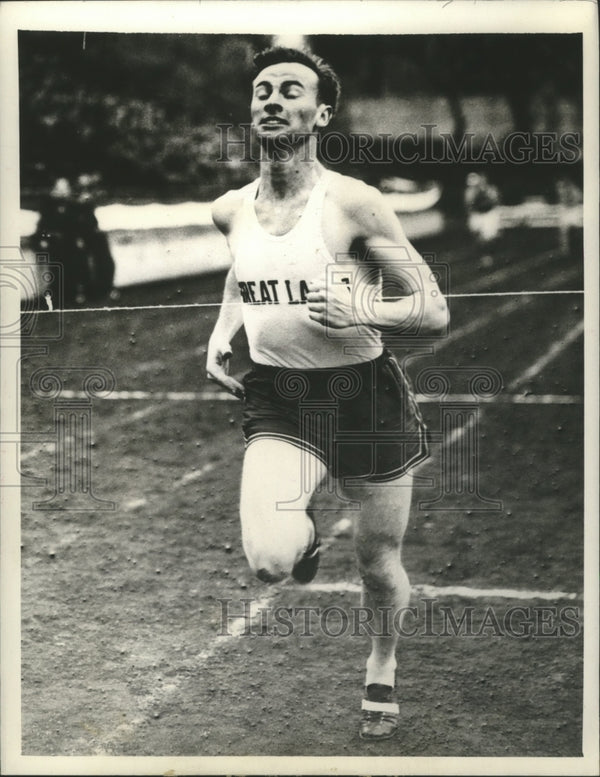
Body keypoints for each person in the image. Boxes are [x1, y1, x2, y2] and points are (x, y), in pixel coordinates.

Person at [206, 46, 449, 741]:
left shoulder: (353, 204)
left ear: (322, 112)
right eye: (262, 90)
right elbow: (241, 273)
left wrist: (363, 310)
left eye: (291, 90)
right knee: (270, 561)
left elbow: (433, 308)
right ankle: (304, 536)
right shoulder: (229, 210)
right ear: (252, 110)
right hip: (282, 396)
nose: (273, 99)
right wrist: (222, 331)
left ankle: (382, 660)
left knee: (377, 563)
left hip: (364, 396)